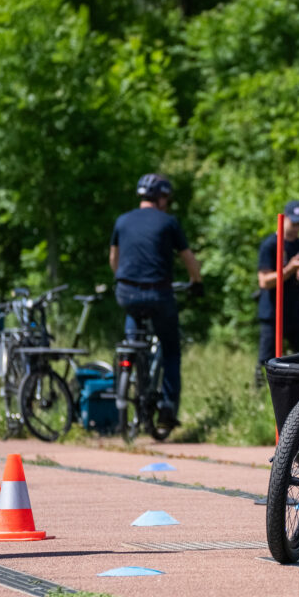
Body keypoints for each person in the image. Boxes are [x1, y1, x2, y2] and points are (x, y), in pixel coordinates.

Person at [109, 173, 203, 427]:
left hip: (126, 293)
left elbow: (113, 259)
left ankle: (132, 378)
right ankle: (168, 408)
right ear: (161, 198)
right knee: (171, 349)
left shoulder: (122, 221)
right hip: (159, 294)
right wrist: (196, 282)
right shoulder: (168, 222)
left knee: (133, 335)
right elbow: (188, 258)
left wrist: (123, 281)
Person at [257, 200, 299, 380]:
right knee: (266, 360)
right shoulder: (270, 245)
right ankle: (261, 396)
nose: (298, 227)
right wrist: (289, 269)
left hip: (296, 309)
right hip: (273, 311)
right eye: (295, 222)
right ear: (285, 219)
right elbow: (264, 282)